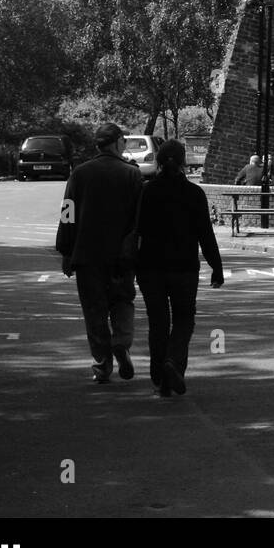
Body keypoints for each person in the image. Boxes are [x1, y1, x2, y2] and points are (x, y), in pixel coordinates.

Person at [133, 141, 224, 397]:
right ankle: (173, 362)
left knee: (158, 321)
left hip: (150, 266)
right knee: (184, 319)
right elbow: (205, 234)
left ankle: (160, 375)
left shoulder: (146, 192)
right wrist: (216, 267)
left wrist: (130, 263)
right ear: (184, 162)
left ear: (159, 162)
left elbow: (135, 230)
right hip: (184, 266)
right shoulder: (194, 193)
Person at [55, 123, 145, 384]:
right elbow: (139, 219)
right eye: (124, 141)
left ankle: (102, 362)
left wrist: (66, 250)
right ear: (117, 143)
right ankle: (121, 342)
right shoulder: (132, 175)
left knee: (94, 312)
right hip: (120, 257)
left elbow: (67, 212)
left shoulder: (80, 174)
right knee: (123, 302)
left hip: (87, 255)